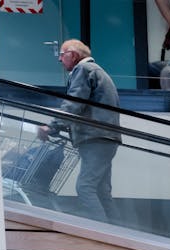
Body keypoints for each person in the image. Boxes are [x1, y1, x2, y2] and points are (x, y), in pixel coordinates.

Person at [37, 40, 120, 223]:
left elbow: (74, 103)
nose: (59, 59)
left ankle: (103, 234)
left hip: (95, 138)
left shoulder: (83, 70)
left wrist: (52, 126)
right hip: (106, 137)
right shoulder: (98, 72)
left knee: (85, 187)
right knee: (101, 190)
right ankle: (119, 231)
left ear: (73, 55)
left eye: (62, 54)